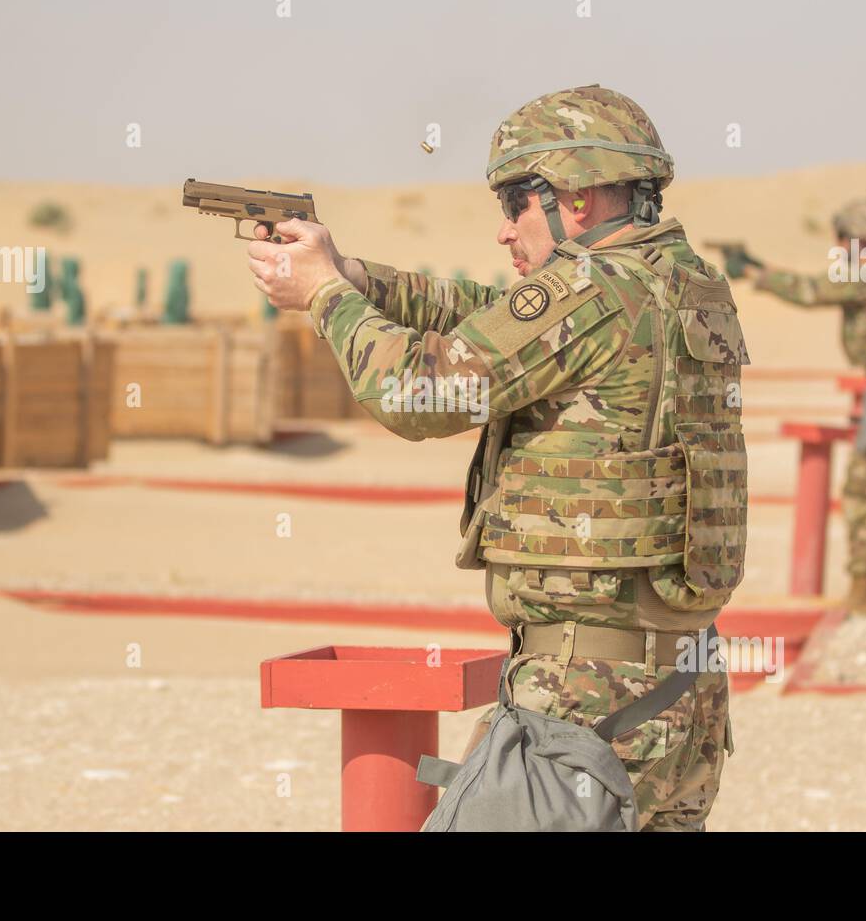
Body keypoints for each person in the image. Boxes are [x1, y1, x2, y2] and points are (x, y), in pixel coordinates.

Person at [247, 85, 748, 830]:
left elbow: (417, 393)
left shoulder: (590, 290)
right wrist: (357, 277)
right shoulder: (682, 283)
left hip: (584, 698)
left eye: (515, 202)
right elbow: (497, 315)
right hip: (677, 693)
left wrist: (325, 298)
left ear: (573, 196)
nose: (505, 231)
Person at [731, 200, 866, 614]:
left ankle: (862, 589)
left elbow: (809, 291)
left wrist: (755, 275)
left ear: (854, 238)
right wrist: (761, 267)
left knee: (865, 492)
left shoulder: (864, 272)